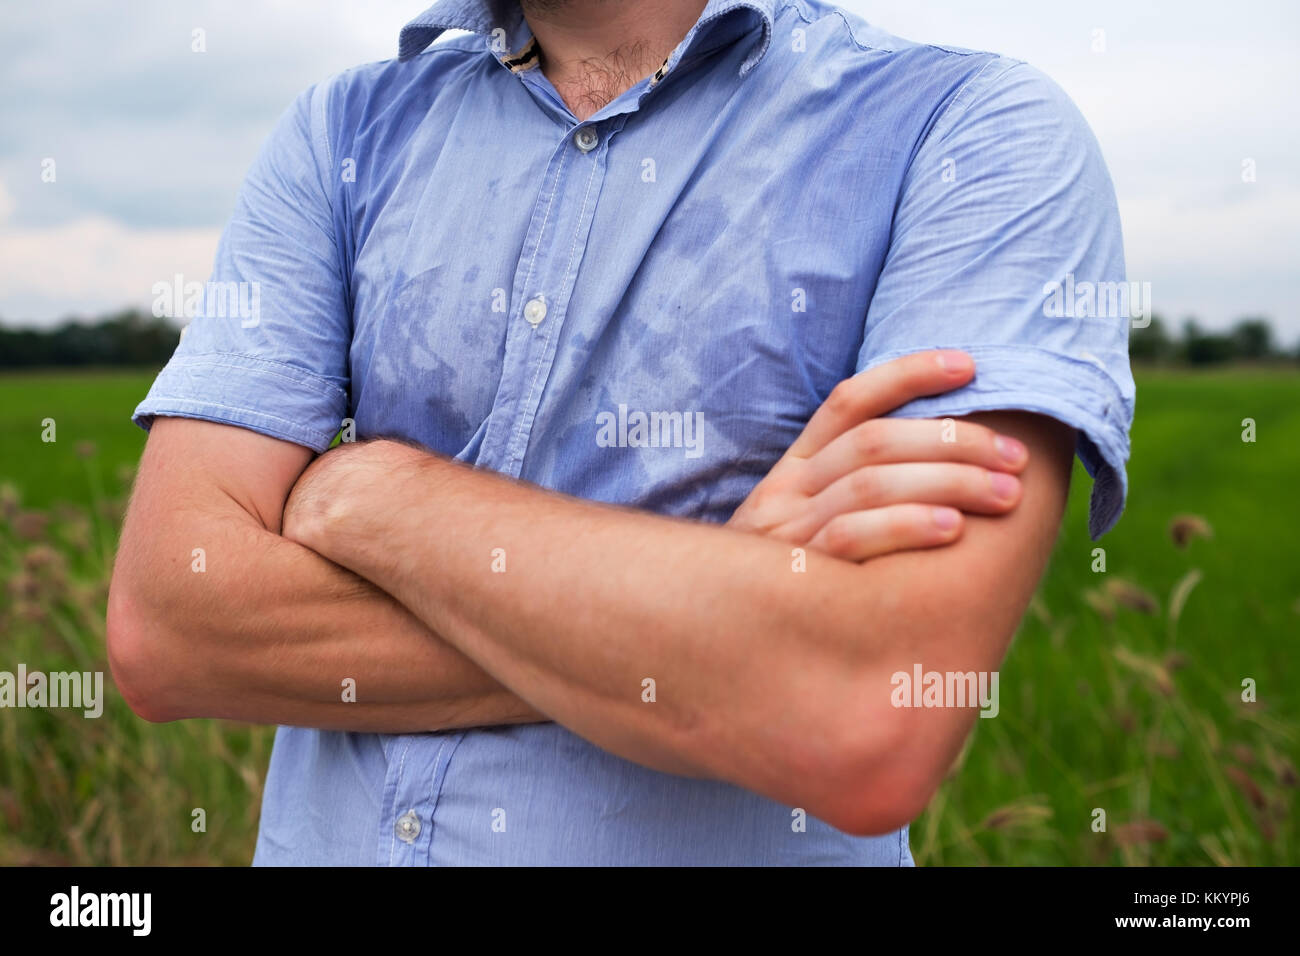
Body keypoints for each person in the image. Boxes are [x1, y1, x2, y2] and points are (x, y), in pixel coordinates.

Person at [107, 0, 1134, 865]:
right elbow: (170, 625)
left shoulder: (967, 134)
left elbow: (864, 713)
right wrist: (710, 611)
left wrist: (374, 495)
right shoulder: (342, 132)